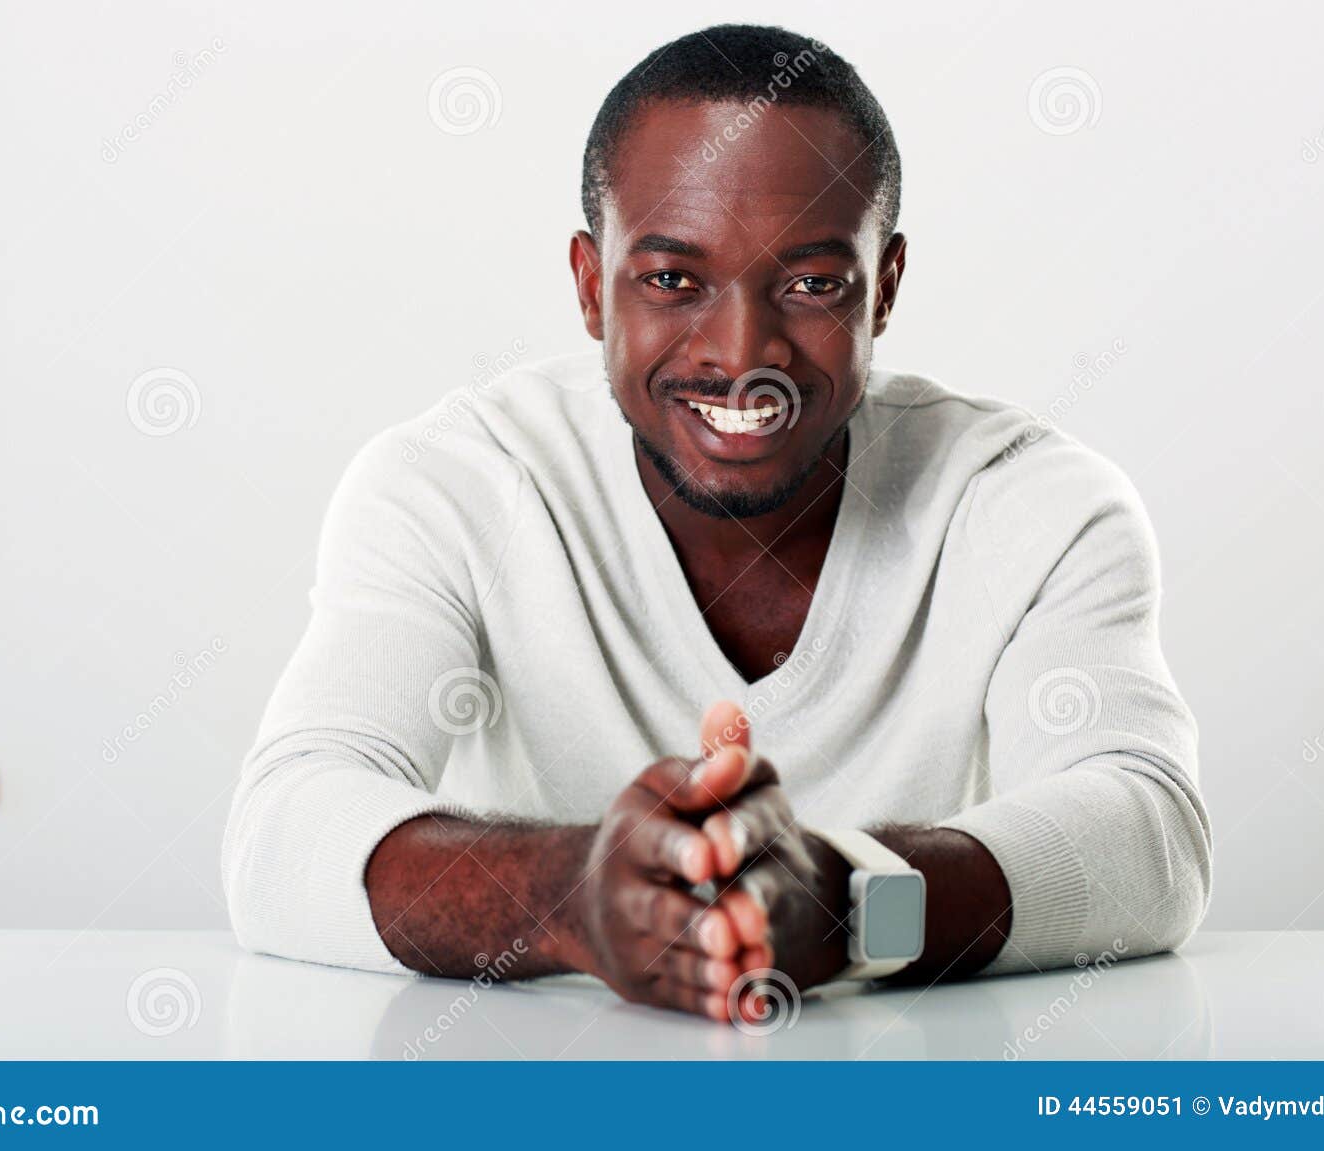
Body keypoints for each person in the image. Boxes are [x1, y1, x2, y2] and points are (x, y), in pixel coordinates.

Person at [221, 23, 1212, 1023]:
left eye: (812, 283)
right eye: (670, 279)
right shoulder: (454, 484)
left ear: (887, 289)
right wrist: (575, 896)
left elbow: (1148, 838)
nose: (742, 352)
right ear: (587, 286)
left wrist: (847, 900)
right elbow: (283, 832)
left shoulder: (1032, 505)